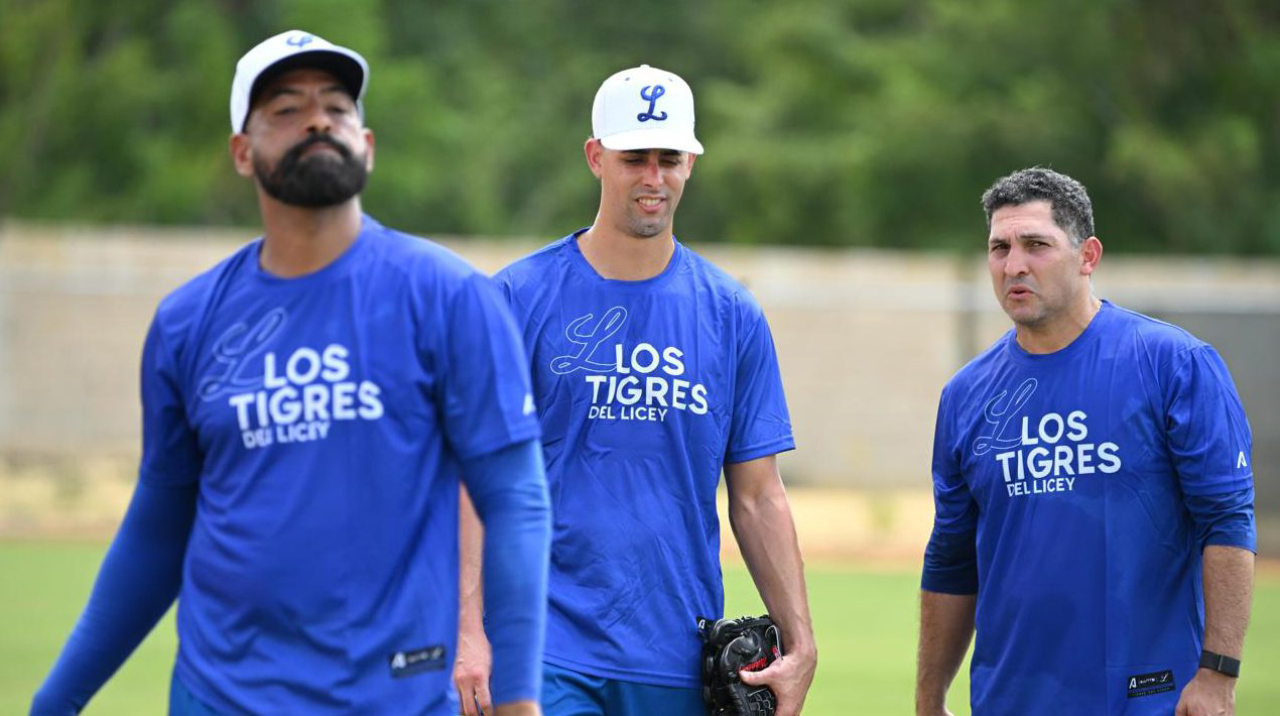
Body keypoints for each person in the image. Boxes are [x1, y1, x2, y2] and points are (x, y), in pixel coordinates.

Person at [30, 30, 551, 716]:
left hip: (393, 697)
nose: (316, 120)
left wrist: (516, 695)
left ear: (366, 144)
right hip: (220, 696)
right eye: (284, 107)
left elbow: (515, 497)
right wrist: (56, 701)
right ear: (242, 153)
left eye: (337, 106)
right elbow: (159, 525)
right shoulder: (187, 322)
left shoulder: (449, 298)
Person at [451, 64, 817, 716]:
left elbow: (758, 496)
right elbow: (472, 481)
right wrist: (467, 630)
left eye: (669, 159)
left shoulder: (731, 315)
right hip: (544, 647)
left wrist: (801, 642)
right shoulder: (515, 299)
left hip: (675, 650)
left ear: (690, 165)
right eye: (634, 158)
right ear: (596, 157)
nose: (654, 178)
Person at [916, 167, 1257, 716]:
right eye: (999, 248)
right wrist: (929, 696)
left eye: (1036, 245)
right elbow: (952, 558)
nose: (1014, 265)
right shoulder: (965, 395)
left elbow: (1228, 519)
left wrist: (1218, 675)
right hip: (1009, 701)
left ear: (1088, 255)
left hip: (1148, 698)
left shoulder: (1174, 364)